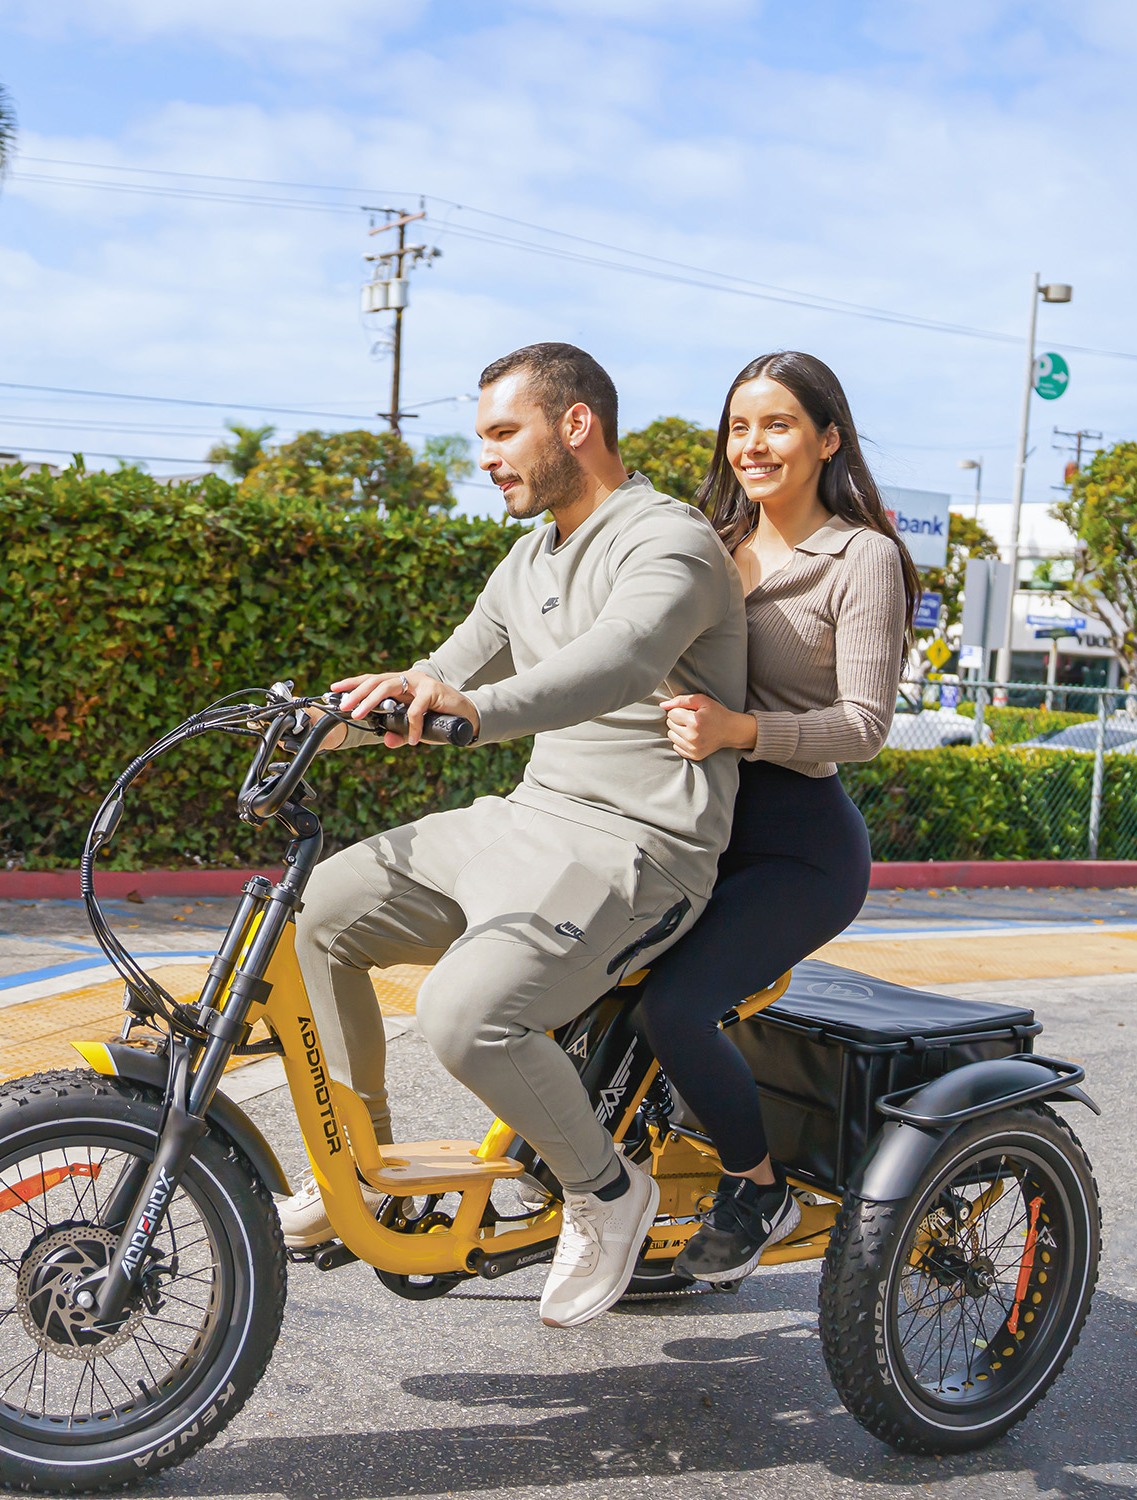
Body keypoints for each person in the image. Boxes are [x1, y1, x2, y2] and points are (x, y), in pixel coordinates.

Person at [282, 342, 748, 1328]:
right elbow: (446, 665)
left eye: (503, 433)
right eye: (481, 438)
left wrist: (474, 713)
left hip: (636, 850)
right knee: (316, 910)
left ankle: (608, 1193)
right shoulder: (528, 558)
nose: (485, 456)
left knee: (464, 1015)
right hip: (528, 819)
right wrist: (340, 711)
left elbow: (620, 662)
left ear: (575, 424)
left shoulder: (668, 542)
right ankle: (358, 1172)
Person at [638, 350, 917, 1286]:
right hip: (690, 830)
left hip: (798, 847)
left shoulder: (862, 555)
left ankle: (758, 1188)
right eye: (740, 425)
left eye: (780, 424)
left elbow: (864, 726)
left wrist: (739, 729)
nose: (753, 444)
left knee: (673, 1007)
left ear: (827, 439)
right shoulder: (706, 544)